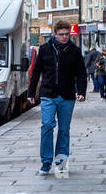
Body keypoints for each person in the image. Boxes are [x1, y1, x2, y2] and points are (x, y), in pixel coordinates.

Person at [27, 20, 87, 178]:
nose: (65, 37)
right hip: (48, 94)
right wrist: (31, 93)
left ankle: (61, 162)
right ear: (55, 34)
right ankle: (46, 162)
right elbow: (36, 72)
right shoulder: (45, 49)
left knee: (63, 129)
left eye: (67, 34)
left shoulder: (75, 51)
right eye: (61, 34)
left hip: (67, 96)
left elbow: (81, 73)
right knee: (47, 126)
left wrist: (81, 92)